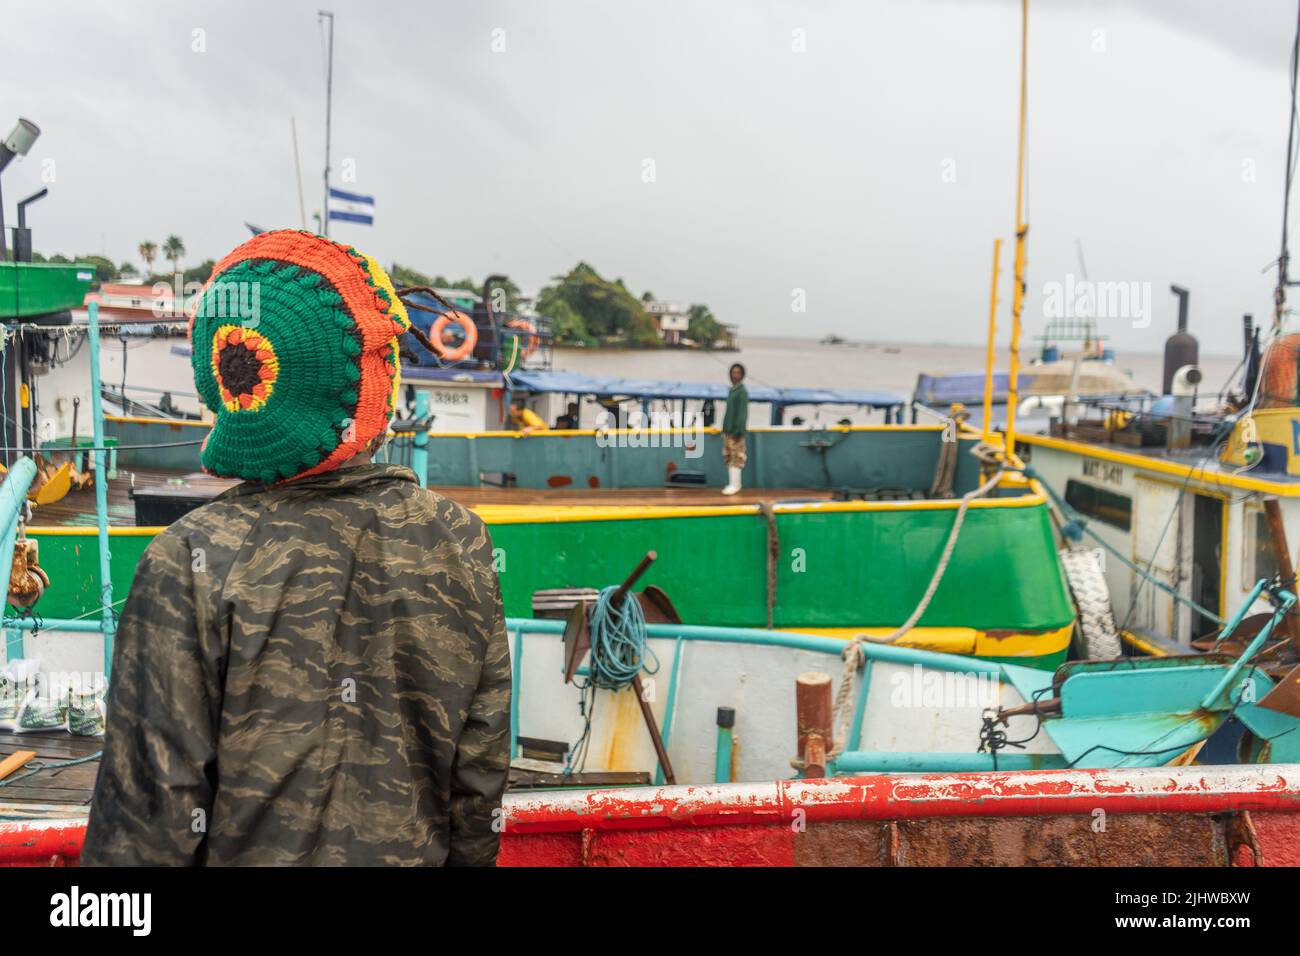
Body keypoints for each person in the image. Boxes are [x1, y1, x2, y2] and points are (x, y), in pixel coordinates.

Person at [81, 230, 511, 866]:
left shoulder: (191, 559)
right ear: (377, 391)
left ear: (223, 388)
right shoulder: (461, 540)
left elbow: (145, 832)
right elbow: (478, 792)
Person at [721, 362, 748, 495]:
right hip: (728, 432)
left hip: (736, 433)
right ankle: (732, 483)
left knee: (737, 458)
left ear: (742, 375)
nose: (735, 375)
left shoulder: (742, 392)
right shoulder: (733, 390)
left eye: (738, 373)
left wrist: (737, 431)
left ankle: (735, 485)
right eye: (733, 372)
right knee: (728, 457)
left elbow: (742, 413)